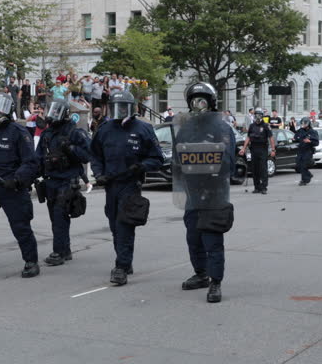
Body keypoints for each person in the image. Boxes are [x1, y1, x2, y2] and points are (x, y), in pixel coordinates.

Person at [90, 90, 163, 286]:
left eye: (123, 107)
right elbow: (95, 155)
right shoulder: (105, 129)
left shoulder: (143, 129)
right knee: (114, 225)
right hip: (111, 185)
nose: (120, 110)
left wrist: (142, 166)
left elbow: (157, 158)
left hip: (130, 184)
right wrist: (98, 174)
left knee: (124, 225)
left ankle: (121, 266)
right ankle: (125, 260)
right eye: (117, 107)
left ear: (131, 108)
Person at [174, 83, 234, 303]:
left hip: (215, 193)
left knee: (212, 239)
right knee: (193, 237)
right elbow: (176, 159)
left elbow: (230, 164)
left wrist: (212, 159)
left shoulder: (222, 128)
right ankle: (201, 273)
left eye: (202, 100)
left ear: (211, 103)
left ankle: (215, 282)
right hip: (192, 193)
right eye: (194, 101)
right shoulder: (186, 129)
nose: (198, 105)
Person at [0, 93, 41, 278]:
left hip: (12, 187)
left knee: (21, 227)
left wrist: (18, 179)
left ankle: (31, 262)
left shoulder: (18, 132)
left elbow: (30, 162)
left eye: (1, 107)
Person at [36, 98, 92, 266]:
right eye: (51, 111)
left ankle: (59, 252)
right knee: (55, 217)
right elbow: (38, 157)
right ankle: (65, 250)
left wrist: (71, 148)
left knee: (60, 215)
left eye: (56, 111)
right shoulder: (47, 134)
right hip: (51, 180)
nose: (52, 114)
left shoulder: (74, 133)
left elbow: (88, 154)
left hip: (67, 180)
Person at [241, 108, 276, 195]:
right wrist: (243, 148)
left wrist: (273, 149)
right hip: (253, 149)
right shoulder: (252, 126)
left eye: (259, 115)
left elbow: (271, 138)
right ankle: (257, 187)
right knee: (255, 169)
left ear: (262, 116)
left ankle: (264, 187)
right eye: (256, 115)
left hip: (263, 149)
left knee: (263, 168)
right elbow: (248, 138)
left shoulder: (266, 126)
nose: (258, 117)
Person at [293, 117, 319, 186]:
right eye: (302, 123)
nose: (303, 125)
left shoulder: (313, 132)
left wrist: (310, 141)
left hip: (308, 150)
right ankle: (308, 175)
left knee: (304, 165)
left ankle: (304, 180)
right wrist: (293, 139)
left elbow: (316, 142)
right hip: (300, 150)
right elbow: (296, 137)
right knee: (298, 165)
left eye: (305, 123)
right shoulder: (300, 131)